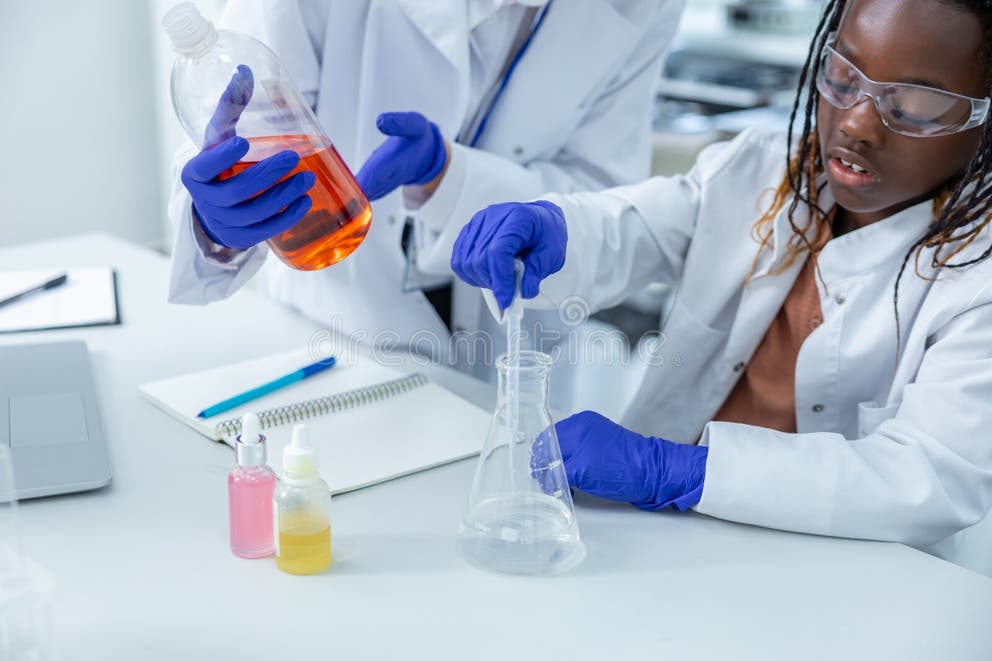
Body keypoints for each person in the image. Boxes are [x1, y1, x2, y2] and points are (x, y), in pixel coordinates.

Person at [451, 0, 992, 574]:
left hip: (845, 581)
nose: (857, 123)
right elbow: (634, 229)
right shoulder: (761, 171)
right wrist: (556, 229)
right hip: (655, 551)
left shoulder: (976, 276)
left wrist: (686, 471)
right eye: (842, 77)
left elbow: (929, 478)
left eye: (912, 106)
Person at [167, 0, 686, 407]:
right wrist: (213, 223)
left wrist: (451, 181)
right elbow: (237, 132)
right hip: (335, 332)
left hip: (513, 354)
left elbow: (600, 193)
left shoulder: (642, 6)